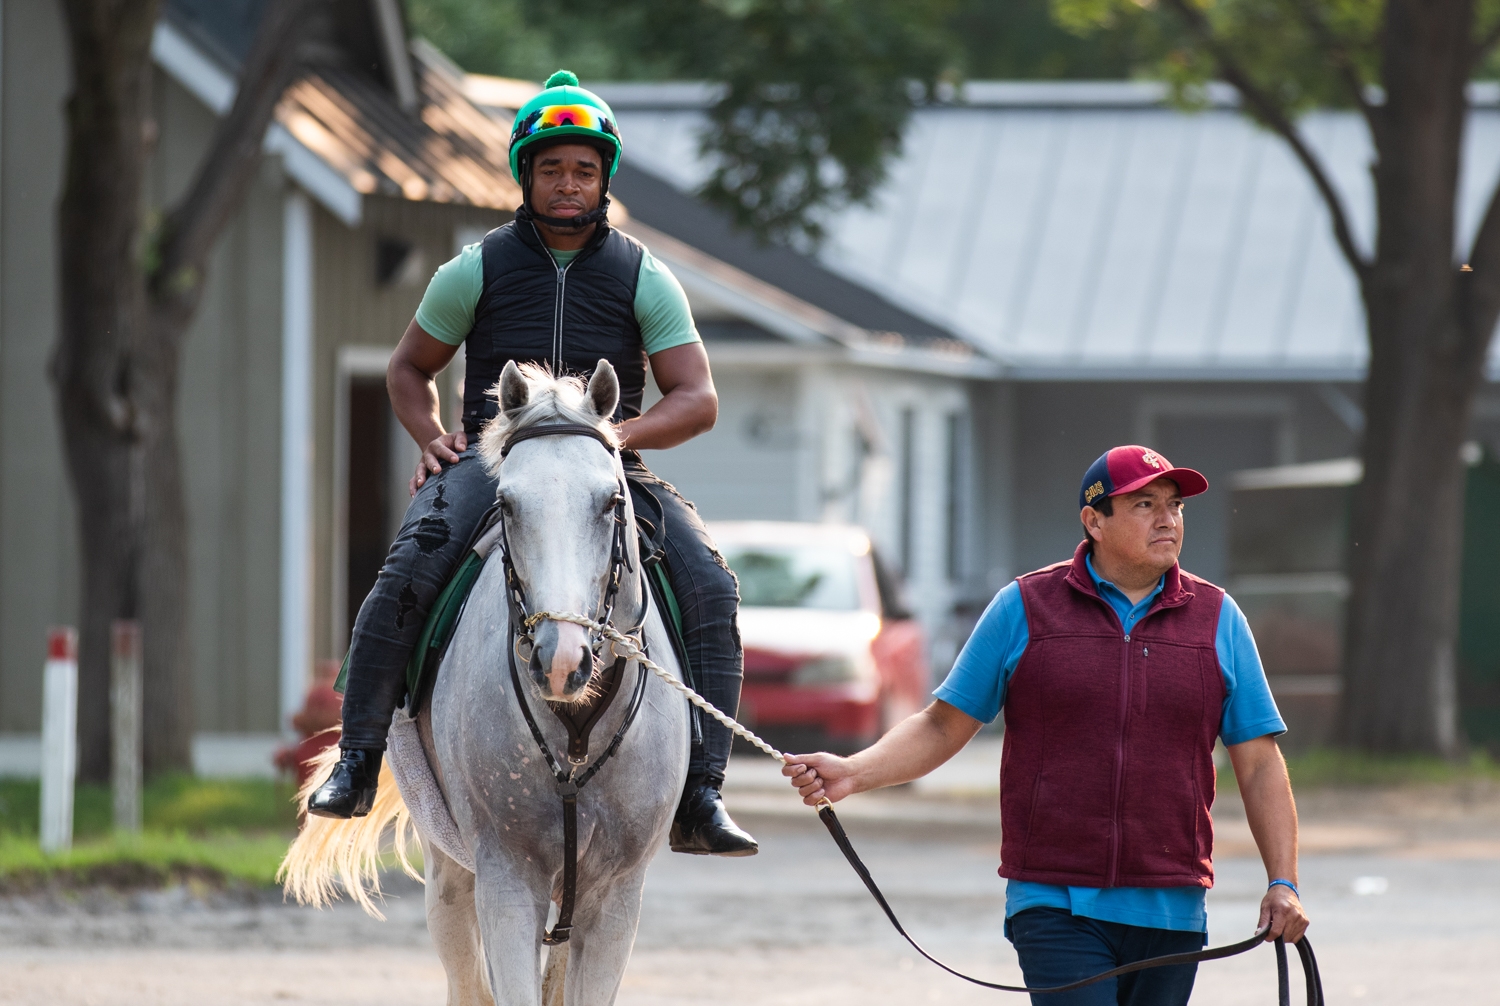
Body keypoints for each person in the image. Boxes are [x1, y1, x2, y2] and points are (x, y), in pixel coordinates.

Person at [309, 70, 758, 857]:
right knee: (403, 577)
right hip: (495, 459)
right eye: (551, 167)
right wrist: (431, 434)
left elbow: (698, 397)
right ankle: (356, 760)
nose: (567, 183)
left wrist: (621, 439)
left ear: (603, 177)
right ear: (525, 173)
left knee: (711, 586)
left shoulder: (644, 274)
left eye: (584, 168)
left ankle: (702, 793)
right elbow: (407, 369)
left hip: (604, 462)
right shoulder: (473, 268)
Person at [783, 445, 1310, 1004]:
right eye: (1145, 504)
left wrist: (1283, 882)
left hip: (1173, 907)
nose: (1168, 519)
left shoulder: (1219, 618)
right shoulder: (1023, 607)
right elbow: (943, 725)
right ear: (1094, 520)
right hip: (1054, 903)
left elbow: (1257, 763)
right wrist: (853, 773)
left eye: (1175, 506)